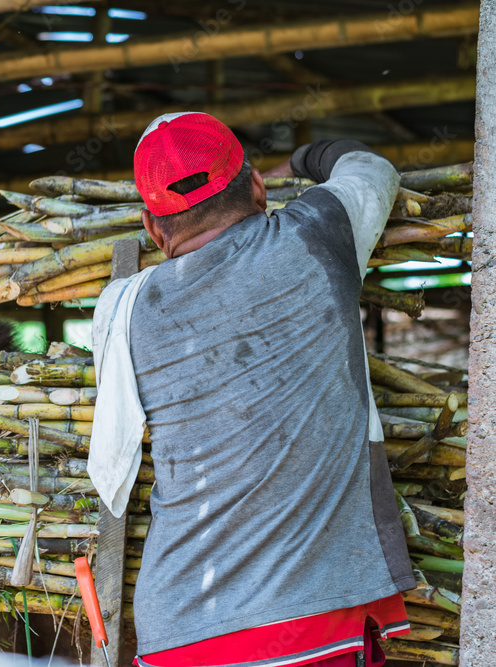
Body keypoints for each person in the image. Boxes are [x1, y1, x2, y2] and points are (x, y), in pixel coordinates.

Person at [88, 112, 416, 667]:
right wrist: (307, 158)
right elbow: (369, 167)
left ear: (152, 228)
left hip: (177, 636)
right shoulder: (317, 232)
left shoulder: (120, 307)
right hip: (312, 626)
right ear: (259, 188)